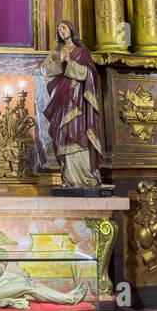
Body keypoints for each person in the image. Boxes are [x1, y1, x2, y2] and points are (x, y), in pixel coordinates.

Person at [43, 20, 104, 188]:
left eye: (63, 27)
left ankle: (85, 176)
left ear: (71, 29)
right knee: (62, 131)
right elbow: (45, 70)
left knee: (79, 132)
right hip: (61, 98)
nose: (61, 31)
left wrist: (70, 62)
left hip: (78, 101)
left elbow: (88, 74)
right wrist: (59, 60)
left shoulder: (83, 52)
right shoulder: (56, 52)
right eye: (59, 29)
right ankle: (69, 178)